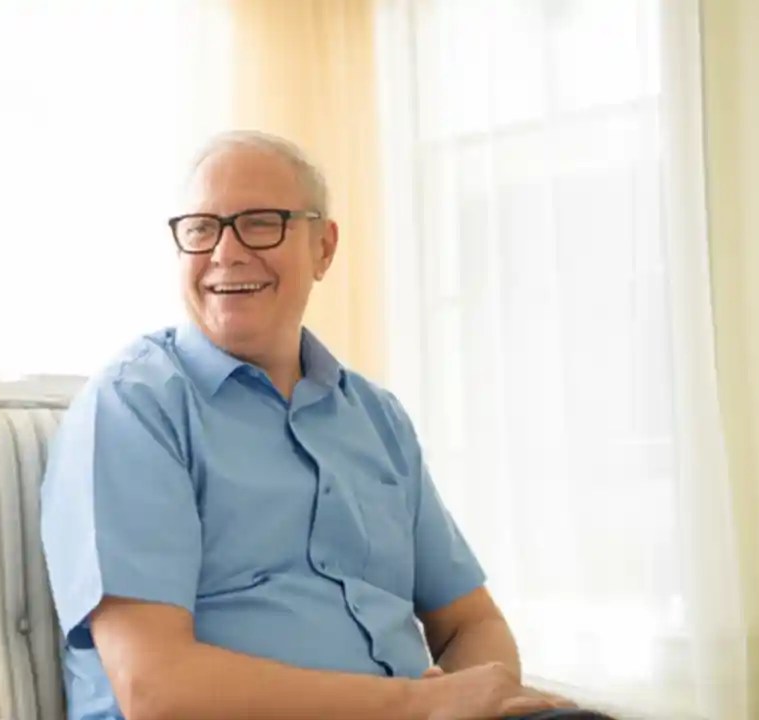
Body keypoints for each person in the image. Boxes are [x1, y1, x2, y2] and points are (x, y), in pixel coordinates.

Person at [40, 130, 576, 720]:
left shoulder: (377, 418)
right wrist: (420, 705)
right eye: (201, 227)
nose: (226, 251)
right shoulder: (135, 406)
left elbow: (471, 622)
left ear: (324, 247)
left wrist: (473, 700)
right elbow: (155, 689)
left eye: (261, 222)